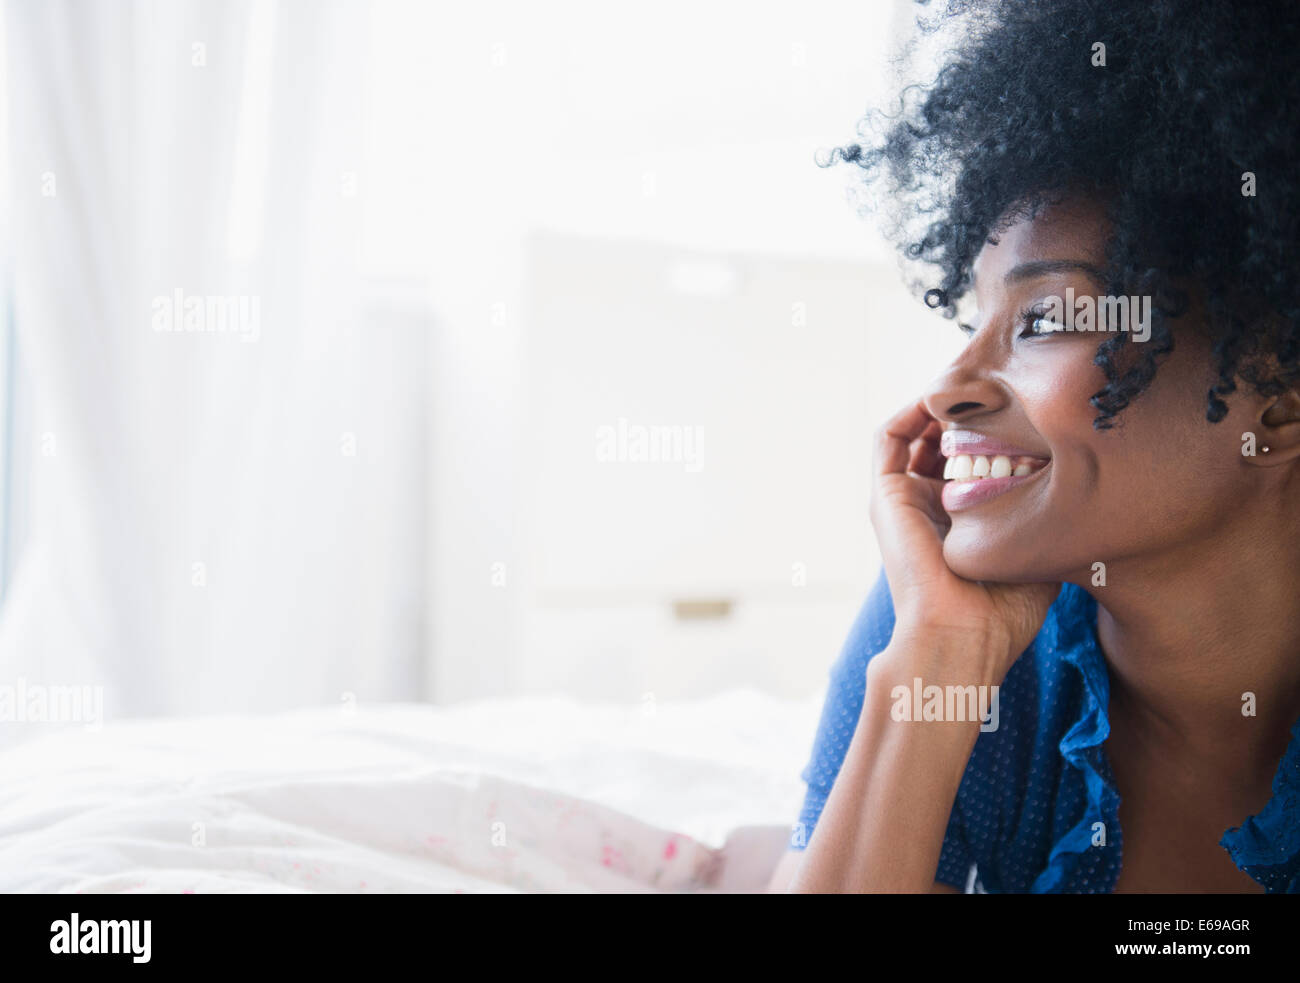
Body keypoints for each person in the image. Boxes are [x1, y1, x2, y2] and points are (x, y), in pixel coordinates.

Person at [770, 0, 1300, 893]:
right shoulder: (945, 610)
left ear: (1279, 404)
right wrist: (938, 654)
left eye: (1045, 317)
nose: (948, 386)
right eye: (975, 320)